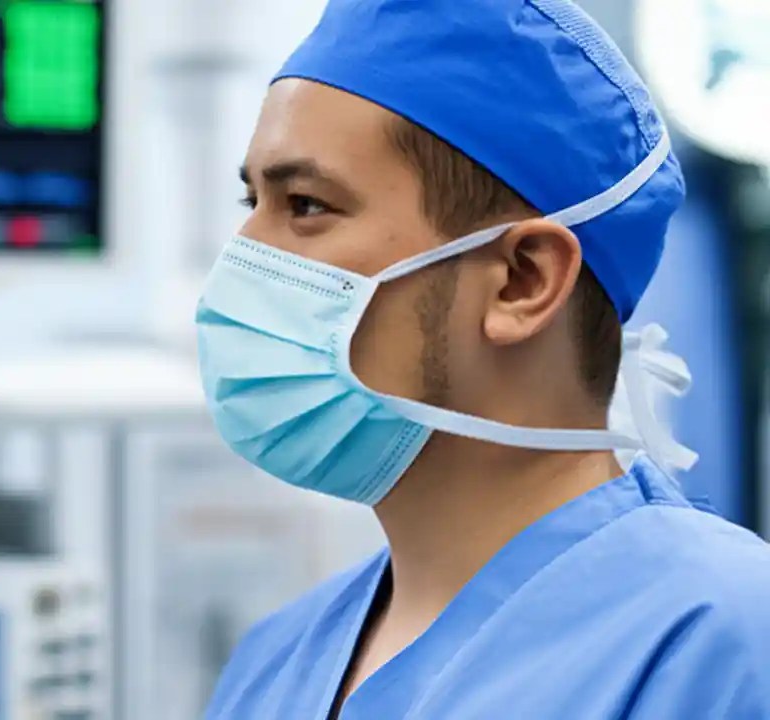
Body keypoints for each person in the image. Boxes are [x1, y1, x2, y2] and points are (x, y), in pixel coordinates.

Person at [195, 0, 770, 717]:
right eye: (252, 201)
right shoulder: (273, 664)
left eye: (306, 205)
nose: (244, 260)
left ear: (521, 281)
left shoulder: (719, 638)